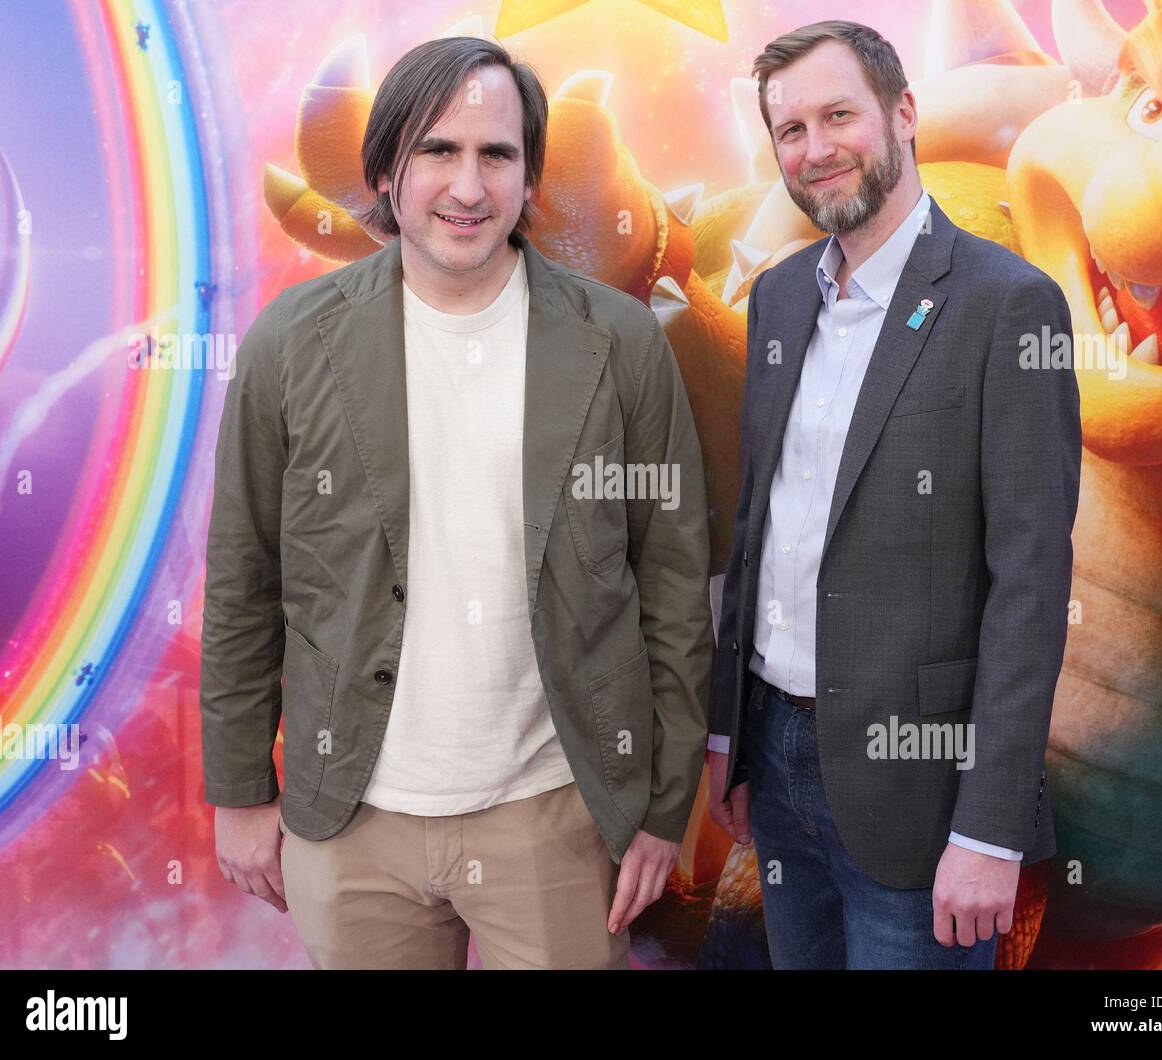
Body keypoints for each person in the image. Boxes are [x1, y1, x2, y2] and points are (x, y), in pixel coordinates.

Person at [200, 36, 713, 969]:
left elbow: (673, 591)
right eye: (438, 150)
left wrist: (665, 805)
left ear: (530, 178)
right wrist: (239, 791)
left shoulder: (622, 343)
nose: (468, 187)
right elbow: (243, 578)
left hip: (555, 815)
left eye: (497, 155)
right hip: (350, 820)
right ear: (387, 169)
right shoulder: (290, 344)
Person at [707, 20, 1081, 969]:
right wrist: (737, 741)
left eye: (839, 115)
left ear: (903, 113)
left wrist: (991, 832)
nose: (815, 148)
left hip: (923, 796)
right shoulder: (780, 297)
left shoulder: (1010, 305)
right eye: (790, 130)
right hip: (778, 761)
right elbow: (761, 527)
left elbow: (1030, 585)